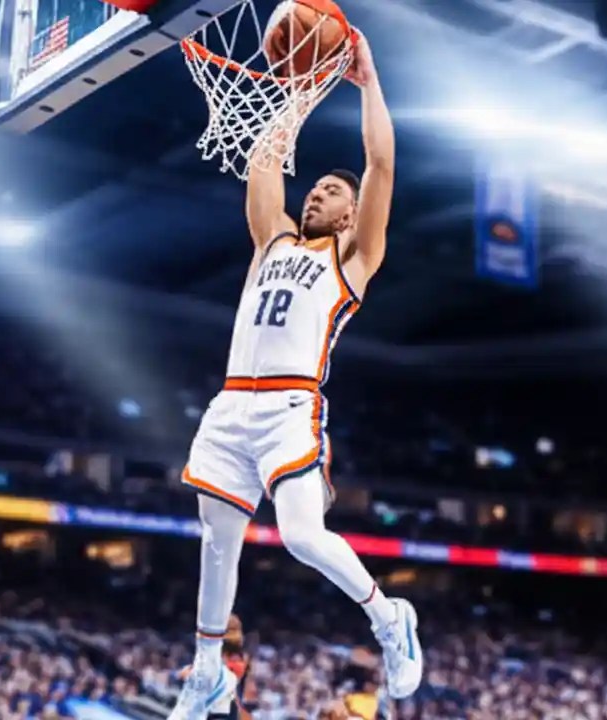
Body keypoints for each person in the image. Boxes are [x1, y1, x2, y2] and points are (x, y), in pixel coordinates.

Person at [170, 32, 420, 720]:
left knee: (304, 537)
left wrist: (366, 81)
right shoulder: (272, 239)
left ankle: (388, 616)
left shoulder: (354, 260)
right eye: (315, 188)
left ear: (349, 213)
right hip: (231, 404)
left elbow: (381, 164)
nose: (317, 194)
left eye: (331, 191)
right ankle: (205, 671)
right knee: (216, 537)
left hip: (289, 404)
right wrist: (301, 91)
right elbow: (266, 158)